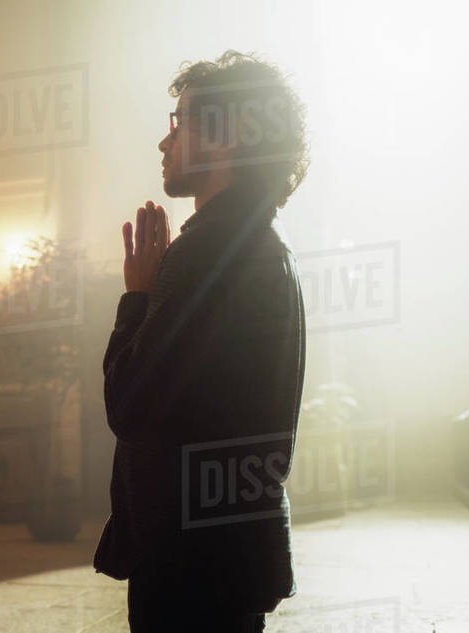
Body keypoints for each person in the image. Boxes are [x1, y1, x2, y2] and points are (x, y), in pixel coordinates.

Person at [92, 50, 310, 632]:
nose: (164, 144)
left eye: (179, 123)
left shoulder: (206, 255)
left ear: (227, 133)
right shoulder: (265, 246)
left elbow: (129, 405)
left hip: (187, 564)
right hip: (231, 555)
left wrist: (136, 297)